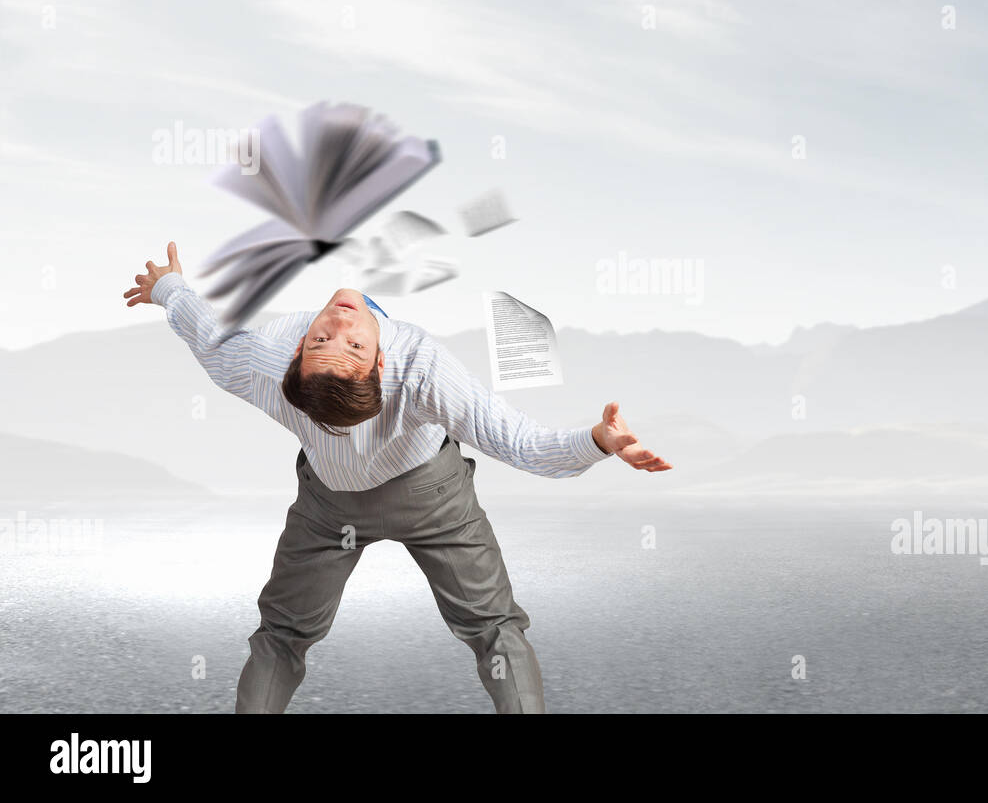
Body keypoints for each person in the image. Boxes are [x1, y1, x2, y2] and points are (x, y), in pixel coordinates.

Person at [123, 241, 670, 713]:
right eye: (335, 343)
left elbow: (209, 339)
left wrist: (169, 288)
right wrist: (596, 443)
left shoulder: (262, 361)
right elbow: (520, 444)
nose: (337, 325)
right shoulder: (415, 362)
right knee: (495, 629)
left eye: (341, 343)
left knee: (283, 635)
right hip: (428, 497)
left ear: (296, 357)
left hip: (332, 503)